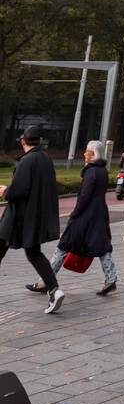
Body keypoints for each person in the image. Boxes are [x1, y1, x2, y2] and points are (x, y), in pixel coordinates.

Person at [29, 140, 118, 298]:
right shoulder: (103, 171)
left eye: (87, 151)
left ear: (93, 154)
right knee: (102, 247)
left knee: (63, 247)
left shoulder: (91, 172)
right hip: (99, 215)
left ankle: (46, 282)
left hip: (84, 217)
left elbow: (84, 197)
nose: (84, 154)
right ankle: (111, 279)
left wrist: (74, 214)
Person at [0, 126, 63, 314]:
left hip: (18, 217)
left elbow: (18, 191)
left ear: (23, 141)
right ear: (40, 140)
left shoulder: (26, 161)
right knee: (34, 252)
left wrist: (5, 191)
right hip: (35, 215)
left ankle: (54, 289)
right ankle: (54, 289)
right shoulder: (46, 159)